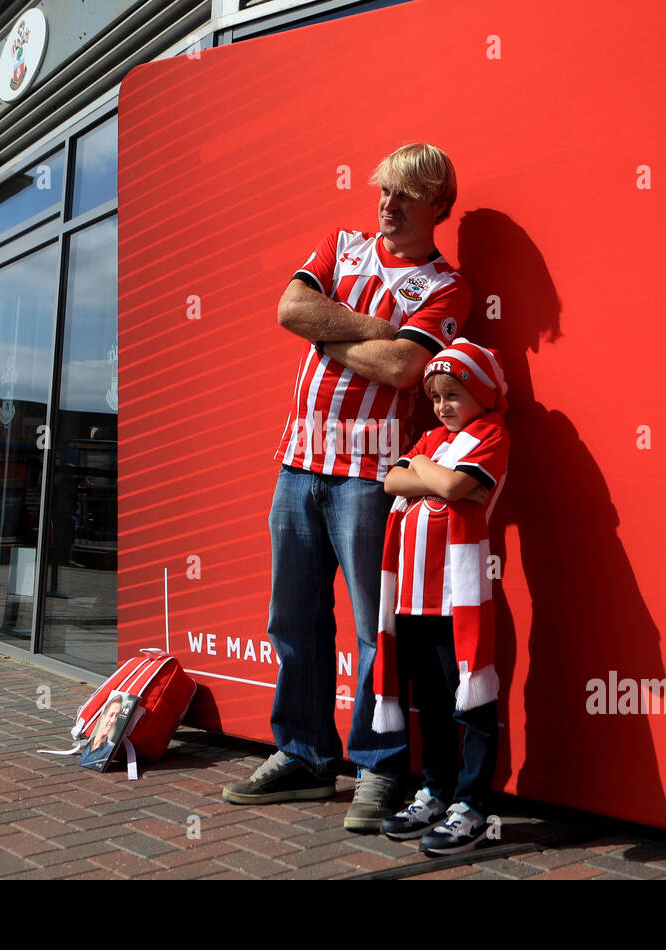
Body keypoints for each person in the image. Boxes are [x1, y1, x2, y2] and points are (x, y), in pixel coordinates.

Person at [221, 143, 473, 833]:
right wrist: (366, 326)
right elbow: (289, 308)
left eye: (404, 195)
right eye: (382, 191)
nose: (386, 204)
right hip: (297, 463)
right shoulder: (342, 244)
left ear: (436, 205)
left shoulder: (447, 285)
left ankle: (379, 766)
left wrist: (325, 329)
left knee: (374, 632)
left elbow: (400, 369)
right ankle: (304, 755)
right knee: (292, 621)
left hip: (371, 475)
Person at [371, 339, 510, 854]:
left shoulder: (492, 434)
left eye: (454, 394)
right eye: (436, 397)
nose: (443, 406)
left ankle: (471, 805)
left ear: (481, 393)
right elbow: (391, 481)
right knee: (429, 701)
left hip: (460, 597)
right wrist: (435, 476)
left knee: (471, 698)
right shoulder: (431, 437)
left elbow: (454, 489)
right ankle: (433, 789)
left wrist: (424, 476)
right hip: (413, 597)